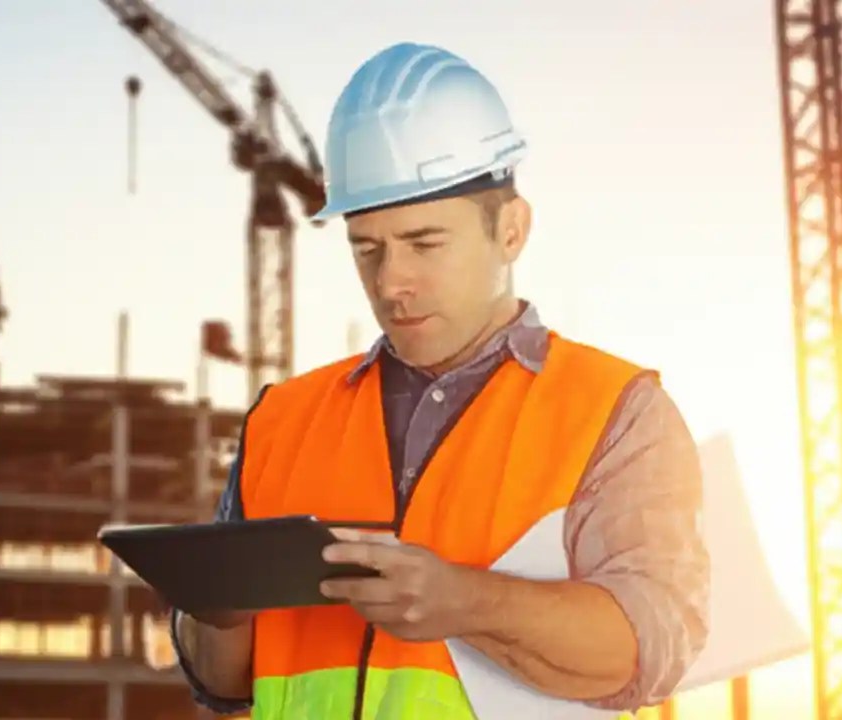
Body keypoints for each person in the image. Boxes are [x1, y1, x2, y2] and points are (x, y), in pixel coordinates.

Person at [169, 41, 710, 719]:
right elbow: (223, 684)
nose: (392, 282)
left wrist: (465, 601)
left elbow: (653, 646)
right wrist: (218, 612)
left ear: (511, 231)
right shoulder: (283, 419)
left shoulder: (613, 410)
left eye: (425, 244)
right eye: (366, 249)